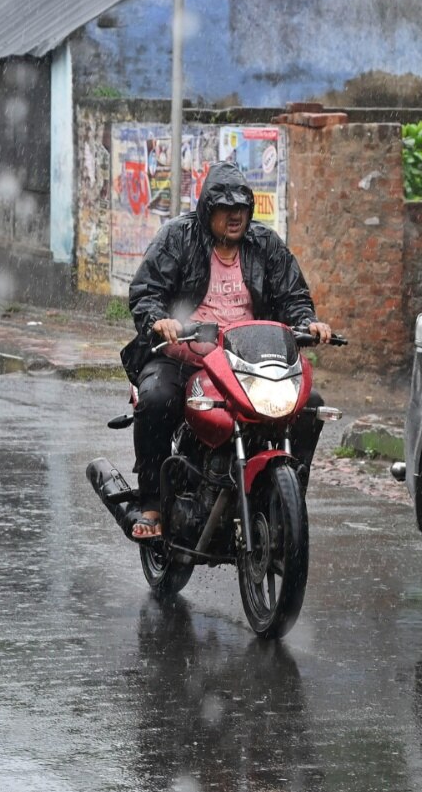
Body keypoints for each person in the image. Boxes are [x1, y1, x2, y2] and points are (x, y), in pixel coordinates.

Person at [120, 160, 332, 540]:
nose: (235, 216)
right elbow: (146, 291)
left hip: (246, 363)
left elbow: (293, 295)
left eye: (242, 208)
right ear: (207, 210)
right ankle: (152, 502)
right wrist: (160, 320)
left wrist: (308, 322)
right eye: (226, 208)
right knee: (155, 401)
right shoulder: (178, 238)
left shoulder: (265, 244)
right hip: (185, 360)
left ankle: (287, 497)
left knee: (308, 405)